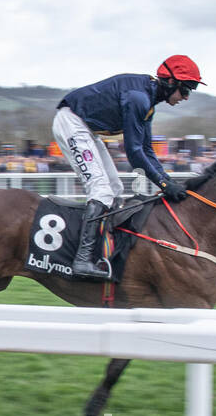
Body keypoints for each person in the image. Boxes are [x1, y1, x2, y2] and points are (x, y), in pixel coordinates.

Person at [52, 54, 203, 280]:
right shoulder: (138, 98)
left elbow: (147, 150)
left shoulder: (148, 101)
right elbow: (134, 154)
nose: (187, 97)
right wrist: (163, 184)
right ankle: (82, 260)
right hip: (71, 123)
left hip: (85, 128)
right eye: (186, 90)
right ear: (171, 82)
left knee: (115, 188)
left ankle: (105, 247)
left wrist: (168, 183)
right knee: (101, 190)